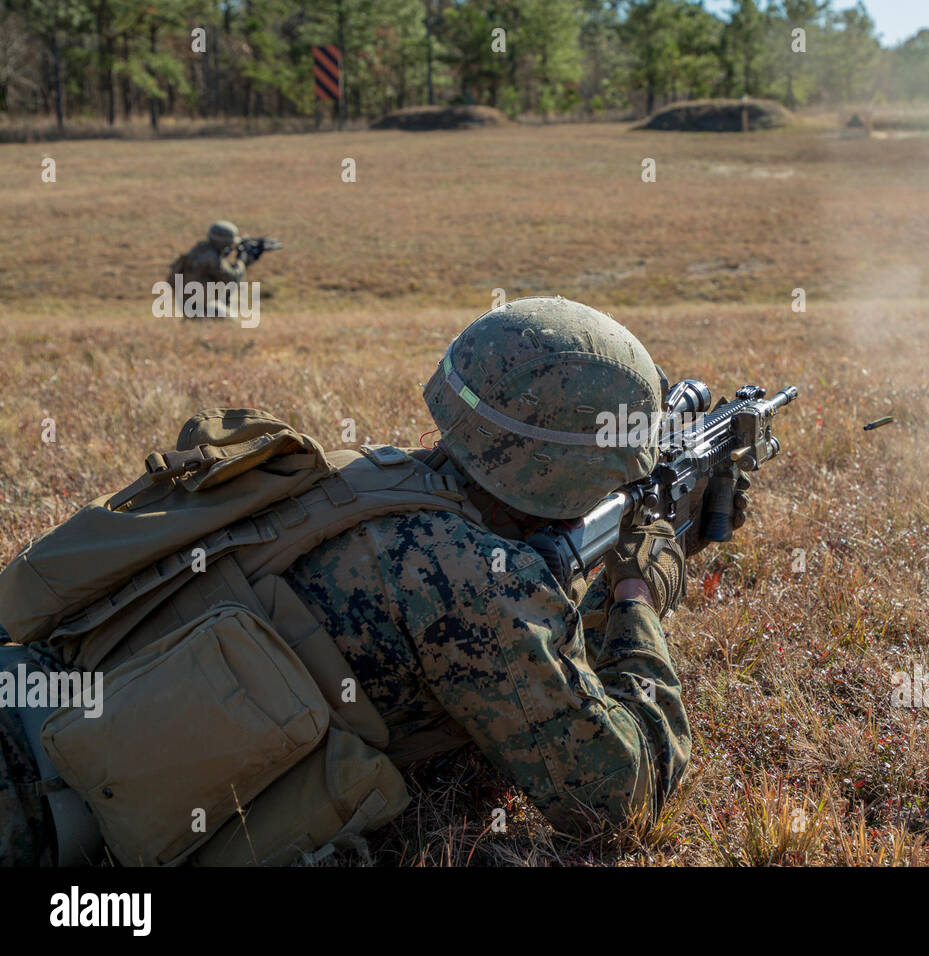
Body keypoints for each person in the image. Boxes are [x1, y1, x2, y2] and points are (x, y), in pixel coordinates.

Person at [0, 296, 751, 864]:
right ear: (576, 472)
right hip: (37, 808)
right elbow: (620, 795)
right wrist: (635, 595)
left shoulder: (375, 480)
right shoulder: (477, 586)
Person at [168, 220, 247, 319]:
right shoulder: (211, 256)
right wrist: (241, 263)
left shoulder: (198, 250)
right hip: (201, 307)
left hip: (187, 306)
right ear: (223, 242)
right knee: (231, 319)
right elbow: (231, 278)